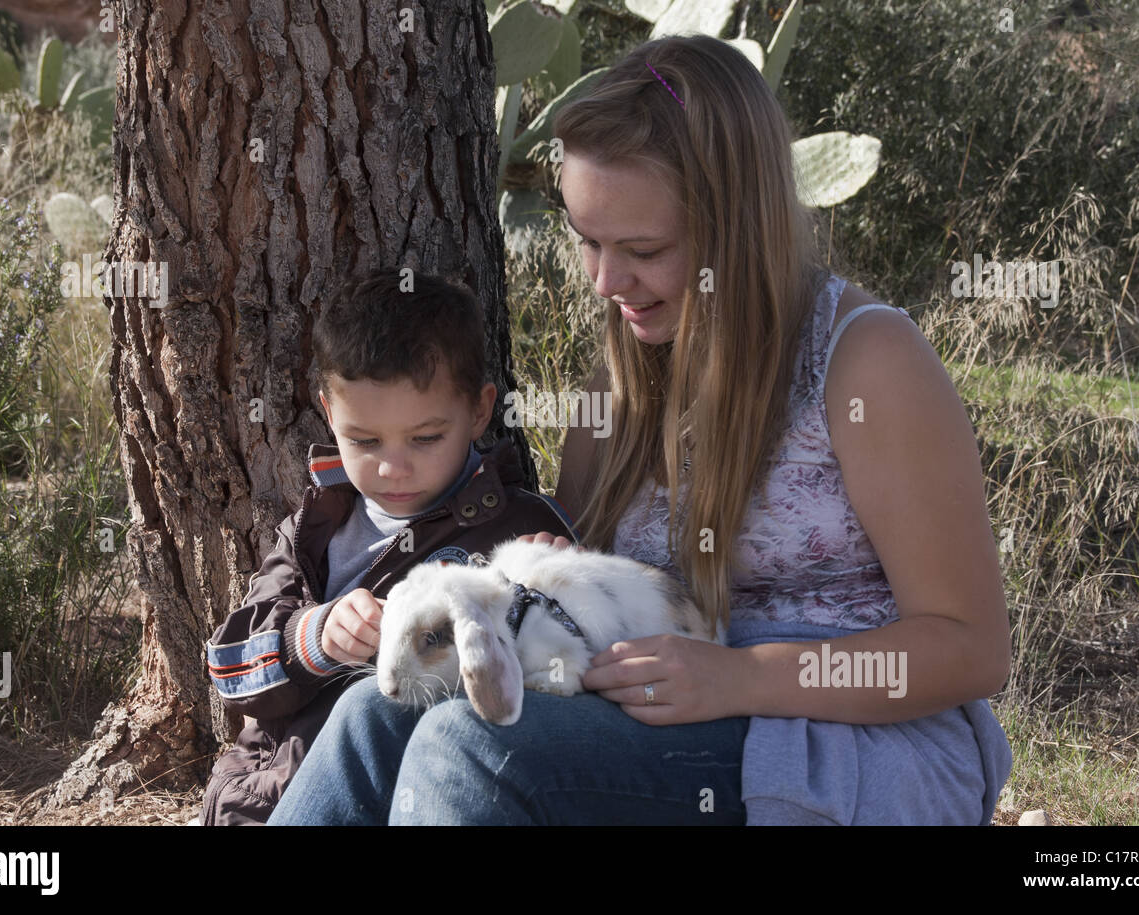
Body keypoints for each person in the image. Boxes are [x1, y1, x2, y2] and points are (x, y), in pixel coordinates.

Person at [266, 34, 1012, 826]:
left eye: (643, 249)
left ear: (737, 226)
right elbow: (580, 577)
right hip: (654, 710)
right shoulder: (626, 378)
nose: (605, 282)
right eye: (589, 242)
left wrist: (741, 677)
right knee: (371, 719)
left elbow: (970, 650)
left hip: (840, 745)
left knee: (471, 748)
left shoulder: (866, 361)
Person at [201, 268, 578, 824]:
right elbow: (230, 672)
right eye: (364, 440)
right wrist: (316, 637)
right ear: (330, 413)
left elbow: (570, 671)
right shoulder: (314, 527)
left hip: (416, 796)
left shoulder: (520, 528)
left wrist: (551, 591)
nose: (392, 467)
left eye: (426, 438)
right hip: (263, 798)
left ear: (478, 411)